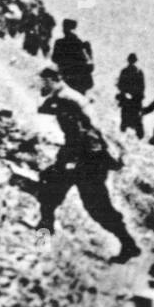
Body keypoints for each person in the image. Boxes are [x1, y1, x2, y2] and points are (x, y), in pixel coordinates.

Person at [32, 66, 141, 263]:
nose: (39, 84)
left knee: (96, 207)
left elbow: (83, 133)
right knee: (49, 191)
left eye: (42, 81)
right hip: (83, 156)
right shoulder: (66, 96)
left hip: (86, 159)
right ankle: (43, 237)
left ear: (50, 79)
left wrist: (71, 162)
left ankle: (129, 245)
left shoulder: (65, 99)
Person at [51, 19, 94, 93]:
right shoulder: (80, 43)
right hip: (81, 79)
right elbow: (90, 63)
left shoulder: (59, 42)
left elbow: (54, 59)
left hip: (66, 77)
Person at [116, 54, 146, 138]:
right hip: (135, 101)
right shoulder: (139, 72)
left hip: (128, 100)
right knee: (135, 119)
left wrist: (125, 93)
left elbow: (120, 85)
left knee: (126, 118)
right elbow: (142, 87)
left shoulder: (125, 71)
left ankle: (126, 135)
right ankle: (138, 137)